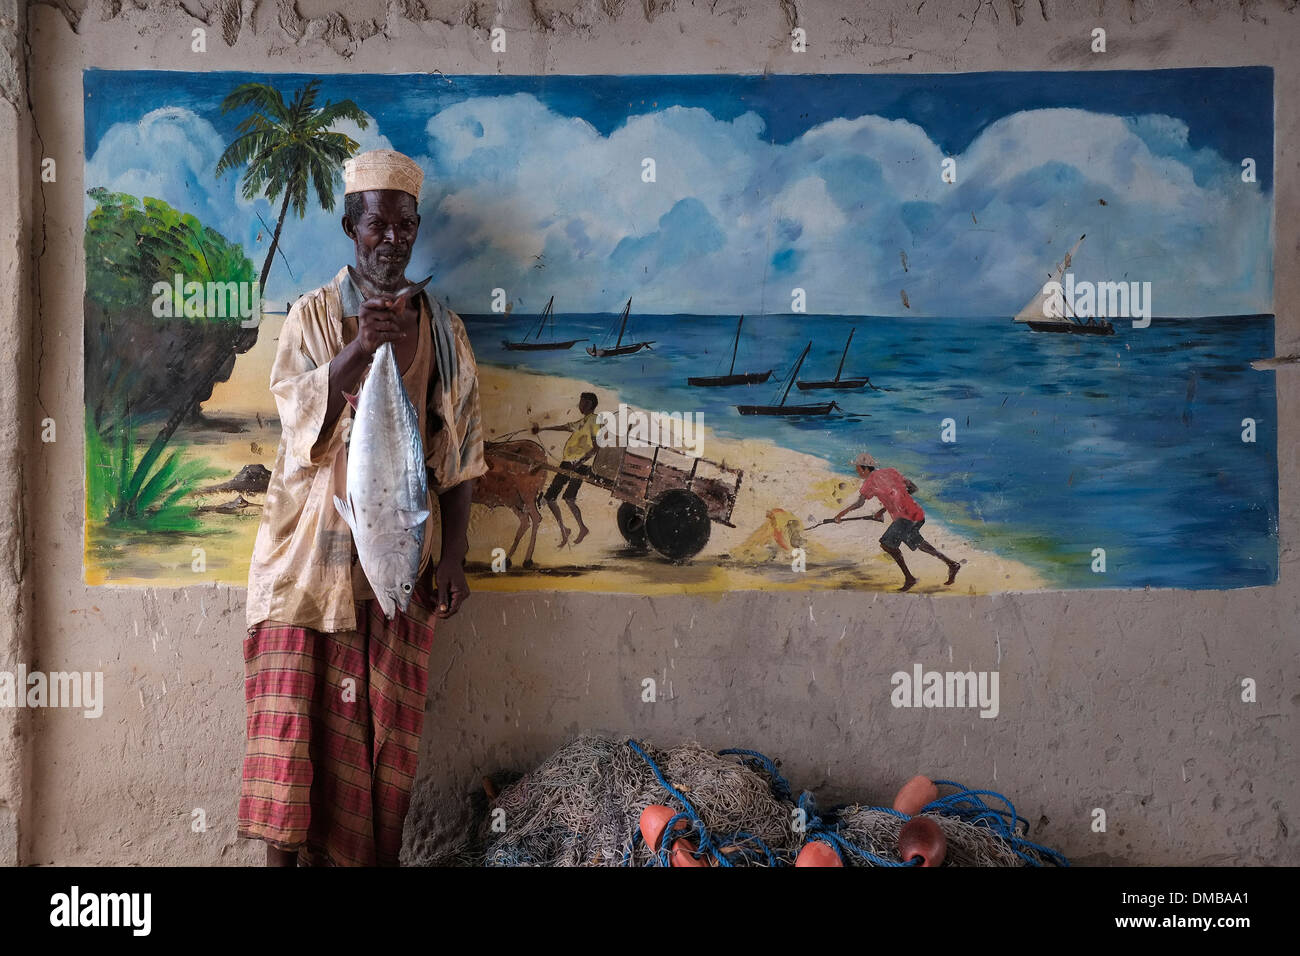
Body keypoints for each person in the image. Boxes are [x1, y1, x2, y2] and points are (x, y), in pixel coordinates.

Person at [239, 149, 487, 866]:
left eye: (405, 225)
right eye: (376, 224)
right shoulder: (313, 316)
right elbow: (294, 426)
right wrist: (359, 350)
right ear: (352, 228)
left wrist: (454, 556)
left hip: (394, 563)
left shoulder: (442, 327)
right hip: (303, 569)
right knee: (289, 743)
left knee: (382, 744)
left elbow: (461, 448)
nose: (391, 238)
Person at [834, 451, 960, 592]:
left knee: (887, 545)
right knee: (919, 543)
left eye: (857, 469)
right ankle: (952, 564)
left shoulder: (869, 483)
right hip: (917, 514)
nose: (857, 472)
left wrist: (840, 514)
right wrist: (884, 510)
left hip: (904, 519)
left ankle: (910, 578)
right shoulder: (891, 472)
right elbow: (912, 488)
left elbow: (859, 504)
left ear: (864, 468)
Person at [533, 392, 600, 546]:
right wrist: (543, 429)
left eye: (582, 402)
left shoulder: (594, 420)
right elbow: (566, 427)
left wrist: (580, 461)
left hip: (579, 465)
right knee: (551, 498)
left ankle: (580, 529)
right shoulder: (583, 421)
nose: (579, 405)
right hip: (568, 463)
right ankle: (567, 530)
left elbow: (597, 447)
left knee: (568, 498)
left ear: (589, 403)